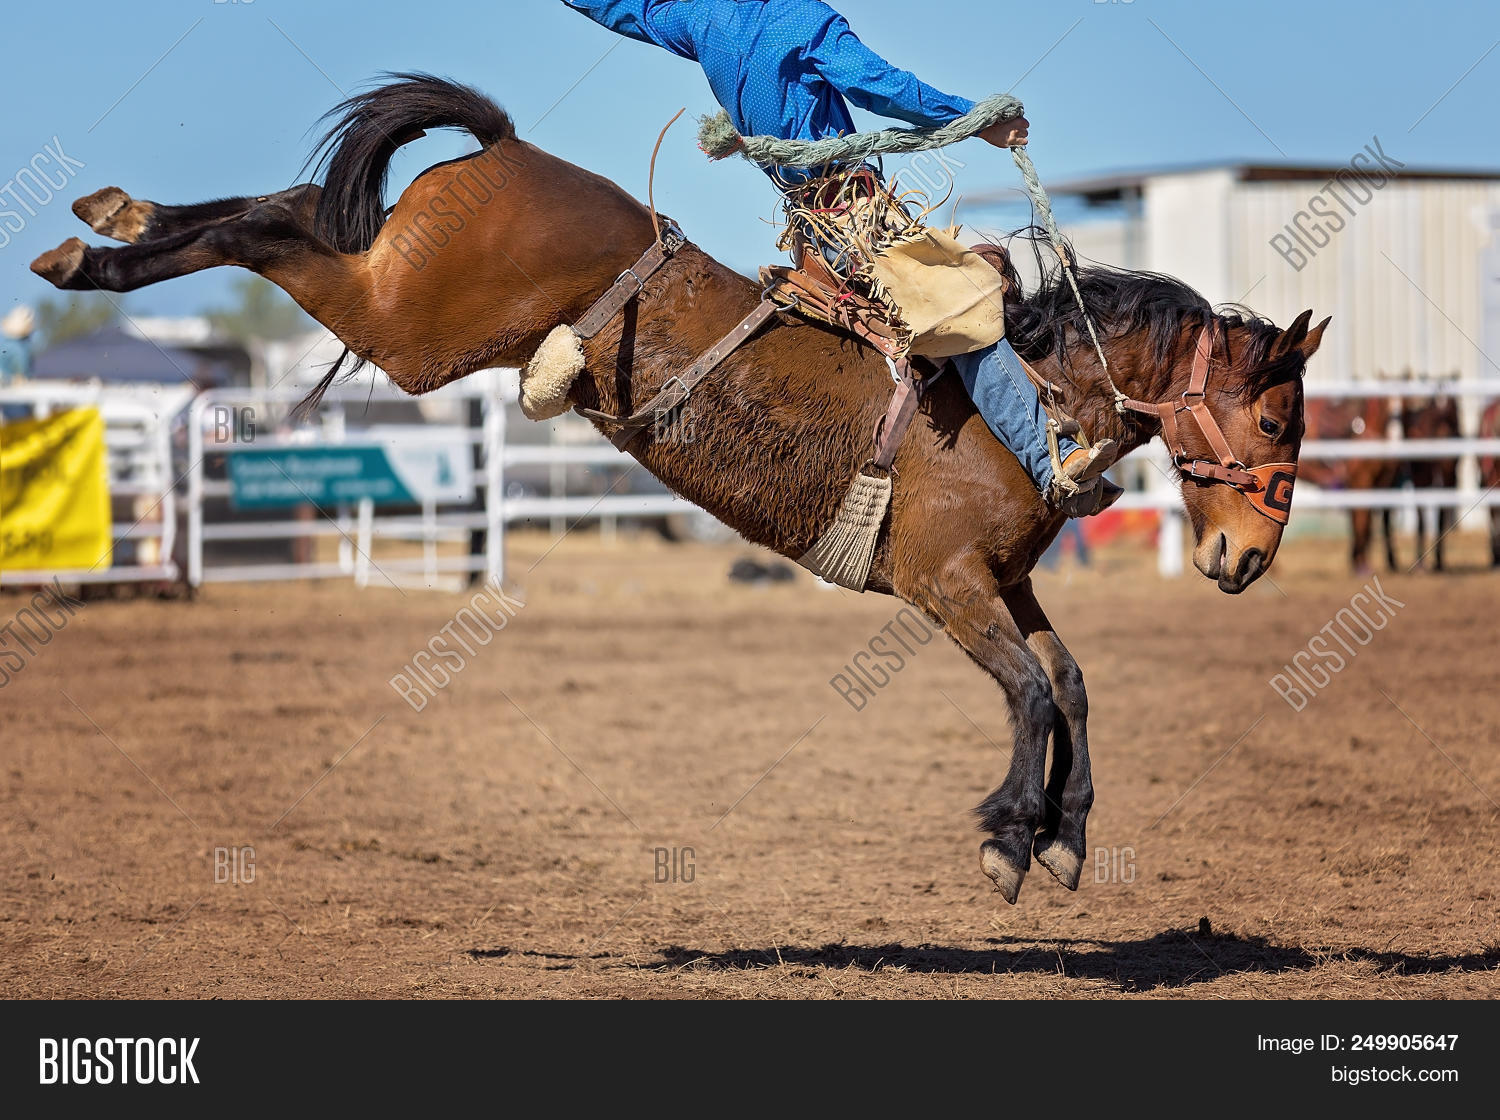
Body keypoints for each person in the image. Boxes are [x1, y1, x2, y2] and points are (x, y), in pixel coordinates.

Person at [561, 0, 1120, 516]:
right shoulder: (801, 18)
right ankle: (1052, 463)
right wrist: (977, 119)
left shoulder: (703, 16)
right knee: (962, 305)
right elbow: (879, 86)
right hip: (853, 217)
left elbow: (627, 10)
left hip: (808, 228)